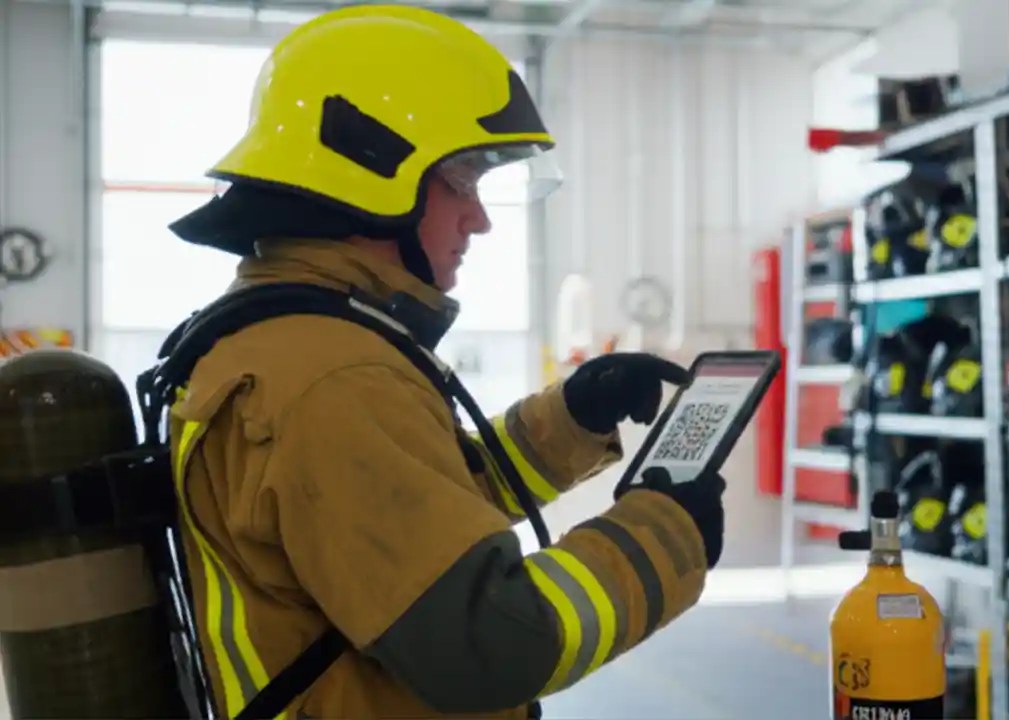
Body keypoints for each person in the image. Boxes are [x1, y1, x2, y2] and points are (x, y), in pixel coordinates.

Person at [161, 5, 727, 719]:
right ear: (369, 170)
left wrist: (571, 419)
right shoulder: (334, 379)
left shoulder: (282, 341)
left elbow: (414, 521)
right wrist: (665, 532)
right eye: (462, 180)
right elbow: (491, 641)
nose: (479, 218)